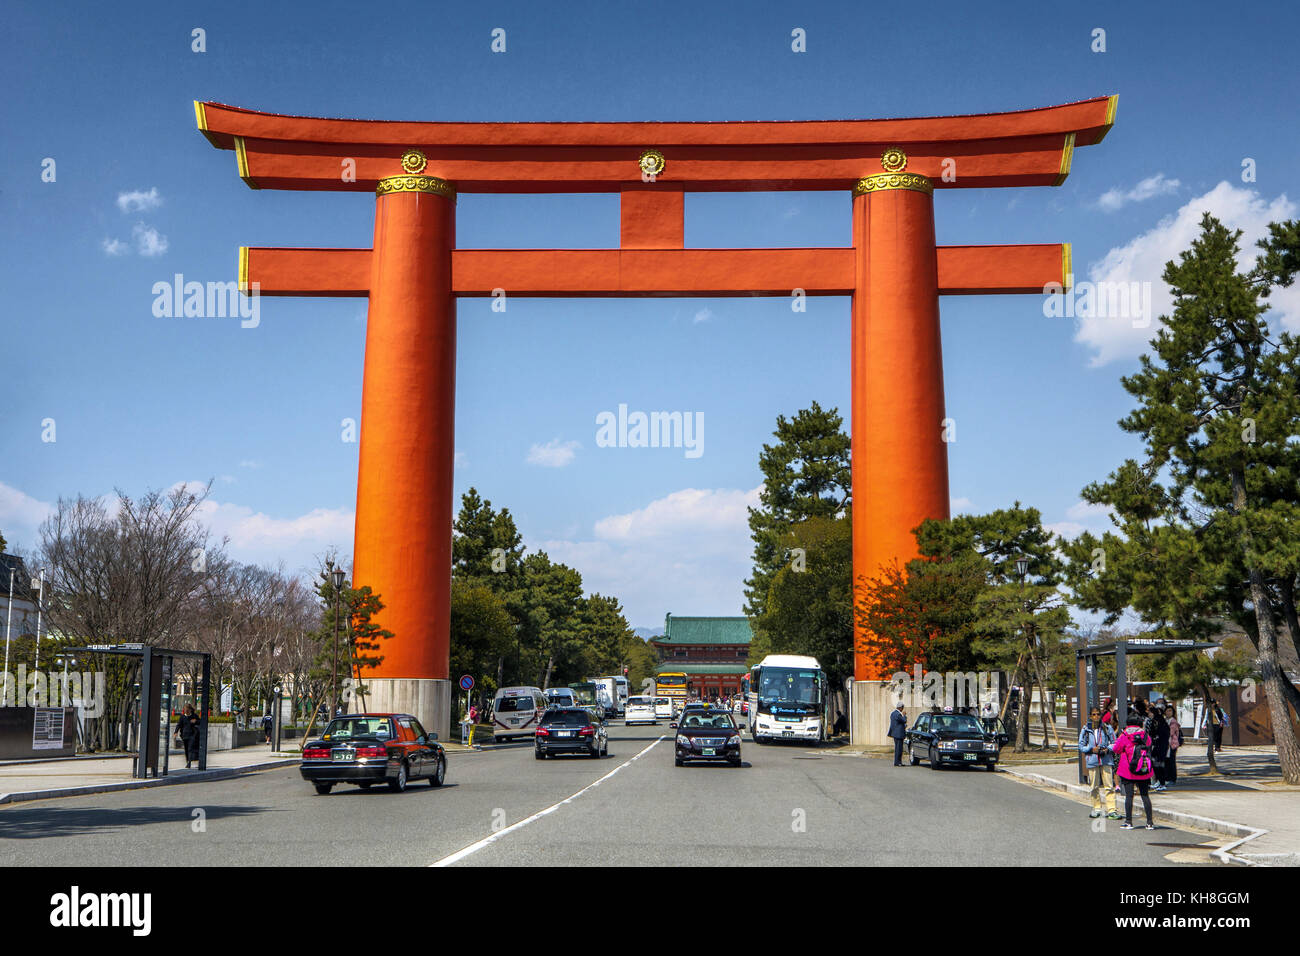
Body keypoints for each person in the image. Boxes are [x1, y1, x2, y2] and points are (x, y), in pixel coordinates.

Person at [1111, 714, 1156, 830]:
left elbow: (1116, 749)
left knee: (1129, 796)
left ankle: (1128, 822)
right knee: (1145, 795)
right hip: (1143, 768)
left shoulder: (1125, 735)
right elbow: (1150, 746)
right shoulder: (1145, 735)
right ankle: (1150, 823)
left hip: (1128, 770)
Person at [1079, 706, 1120, 820]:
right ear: (1090, 716)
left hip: (1106, 759)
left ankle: (1111, 810)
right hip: (1092, 760)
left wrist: (1107, 749)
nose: (1096, 716)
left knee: (1109, 786)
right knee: (1094, 786)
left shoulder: (1107, 728)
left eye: (1098, 714)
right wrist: (1091, 749)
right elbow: (1081, 746)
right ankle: (1097, 808)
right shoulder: (1085, 729)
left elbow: (1115, 743)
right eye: (1094, 714)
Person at [1148, 705, 1170, 792]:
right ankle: (1159, 781)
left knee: (1159, 764)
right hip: (1159, 746)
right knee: (1156, 765)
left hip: (1160, 746)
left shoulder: (1158, 722)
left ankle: (1162, 782)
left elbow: (1159, 734)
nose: (1149, 714)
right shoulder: (1156, 721)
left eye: (1150, 712)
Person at [179, 703, 201, 769]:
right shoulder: (182, 716)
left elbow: (201, 721)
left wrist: (196, 721)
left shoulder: (194, 716)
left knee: (190, 749)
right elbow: (179, 725)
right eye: (185, 709)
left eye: (187, 709)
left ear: (190, 710)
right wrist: (176, 732)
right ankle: (187, 761)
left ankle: (189, 762)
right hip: (185, 735)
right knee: (186, 749)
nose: (186, 711)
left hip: (192, 735)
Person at [1164, 705, 1181, 787]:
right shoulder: (1165, 720)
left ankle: (1172, 779)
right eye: (1167, 710)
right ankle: (1167, 778)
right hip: (1166, 743)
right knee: (1166, 761)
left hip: (1172, 744)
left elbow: (1170, 732)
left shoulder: (1173, 721)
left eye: (1170, 711)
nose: (1168, 712)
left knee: (1171, 761)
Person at [887, 701, 908, 766]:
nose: (903, 709)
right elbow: (904, 720)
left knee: (897, 748)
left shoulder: (892, 713)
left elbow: (897, 723)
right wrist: (904, 715)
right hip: (899, 734)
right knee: (899, 749)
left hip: (895, 733)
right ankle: (898, 762)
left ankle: (897, 762)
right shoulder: (898, 714)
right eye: (902, 707)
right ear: (900, 707)